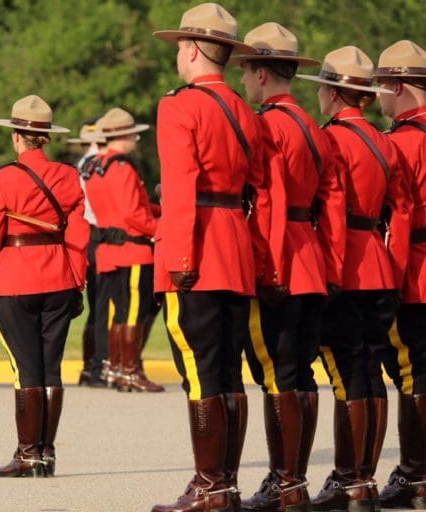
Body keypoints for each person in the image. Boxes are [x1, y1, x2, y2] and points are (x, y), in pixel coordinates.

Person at [150, 3, 272, 511]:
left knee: (200, 374)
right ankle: (226, 483)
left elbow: (179, 188)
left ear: (196, 49)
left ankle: (210, 486)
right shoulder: (247, 111)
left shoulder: (178, 106)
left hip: (195, 247)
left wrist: (178, 257)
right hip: (234, 247)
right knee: (227, 373)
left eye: (181, 45)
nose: (178, 54)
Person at [232, 23, 347, 512]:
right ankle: (293, 480)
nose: (242, 82)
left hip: (278, 257)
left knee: (277, 377)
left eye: (244, 73)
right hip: (312, 257)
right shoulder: (319, 132)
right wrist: (334, 266)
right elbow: (334, 205)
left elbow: (268, 200)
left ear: (261, 73)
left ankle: (285, 483)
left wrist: (267, 265)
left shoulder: (264, 126)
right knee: (300, 374)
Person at [296, 46, 411, 512]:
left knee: (345, 374)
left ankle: (349, 481)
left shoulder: (328, 140)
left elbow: (332, 212)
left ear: (332, 93)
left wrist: (330, 269)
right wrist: (396, 269)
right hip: (380, 265)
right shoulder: (386, 142)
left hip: (345, 266)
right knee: (370, 375)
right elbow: (400, 214)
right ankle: (362, 479)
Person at [0, 94, 89, 477]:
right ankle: (45, 454)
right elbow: (79, 236)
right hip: (60, 279)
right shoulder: (68, 176)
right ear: (45, 137)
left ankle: (27, 453)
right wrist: (77, 282)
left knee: (25, 370)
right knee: (51, 368)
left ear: (17, 136)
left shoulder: (1, 177)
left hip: (17, 280)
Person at [375, 39, 426, 510]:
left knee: (412, 374)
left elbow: (397, 217)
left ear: (396, 85)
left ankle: (414, 473)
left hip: (415, 269)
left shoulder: (399, 142)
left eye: (380, 86)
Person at [83, 107, 164, 393]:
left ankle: (115, 367)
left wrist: (160, 211)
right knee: (133, 314)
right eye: (133, 135)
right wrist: (162, 229)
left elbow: (129, 207)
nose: (136, 140)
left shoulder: (95, 168)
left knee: (120, 312)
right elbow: (133, 214)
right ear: (122, 135)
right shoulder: (122, 167)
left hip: (108, 250)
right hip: (132, 250)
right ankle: (128, 370)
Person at [66, 120, 109, 387]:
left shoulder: (79, 167)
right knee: (104, 307)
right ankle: (99, 366)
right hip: (102, 234)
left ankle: (89, 366)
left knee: (96, 307)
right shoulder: (101, 165)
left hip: (85, 236)